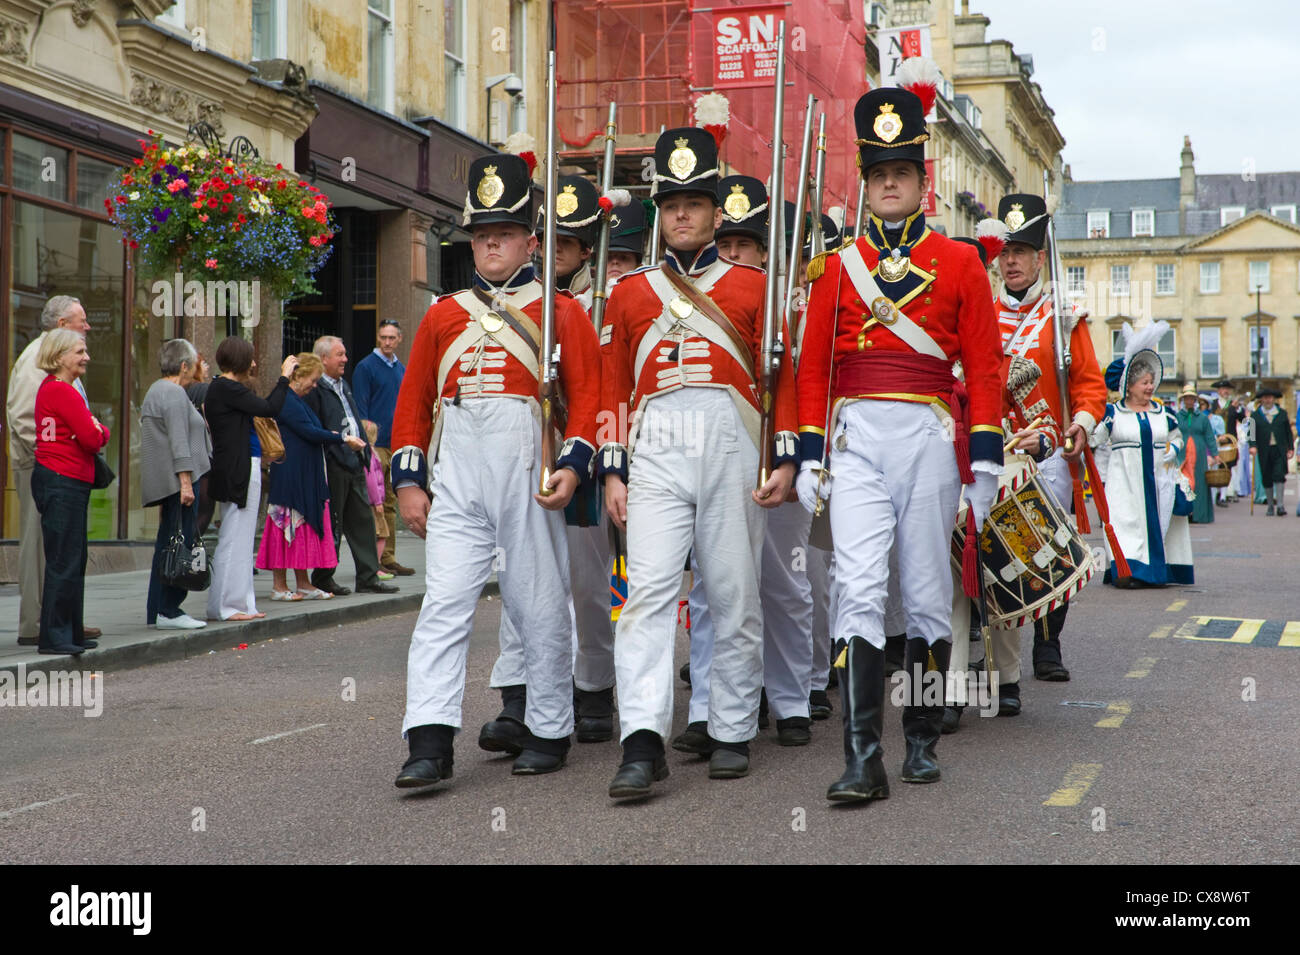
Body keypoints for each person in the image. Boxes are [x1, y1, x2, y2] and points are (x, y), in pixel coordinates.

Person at [795, 73, 1005, 801]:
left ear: (923, 180)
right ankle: (861, 757)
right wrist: (809, 451)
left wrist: (983, 454)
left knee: (923, 587)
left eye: (902, 173)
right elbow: (812, 364)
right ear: (867, 181)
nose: (889, 184)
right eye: (878, 173)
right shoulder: (835, 269)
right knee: (854, 584)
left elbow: (983, 361)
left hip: (926, 431)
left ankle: (919, 735)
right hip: (855, 434)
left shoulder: (960, 263)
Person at [390, 151, 601, 787]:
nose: (490, 246)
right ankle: (428, 741)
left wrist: (573, 463)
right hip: (459, 466)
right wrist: (408, 479)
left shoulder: (561, 311)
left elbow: (590, 397)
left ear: (529, 240)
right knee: (443, 604)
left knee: (538, 603)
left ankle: (548, 726)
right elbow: (416, 401)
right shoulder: (443, 312)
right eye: (482, 235)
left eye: (503, 234)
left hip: (527, 461)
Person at [599, 126, 798, 796]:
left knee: (733, 588)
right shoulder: (629, 293)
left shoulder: (753, 286)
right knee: (648, 593)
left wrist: (784, 456)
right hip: (655, 440)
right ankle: (641, 739)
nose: (682, 212)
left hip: (731, 437)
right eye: (671, 201)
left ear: (717, 210)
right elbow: (610, 384)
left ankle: (733, 727)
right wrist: (612, 466)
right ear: (659, 210)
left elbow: (783, 381)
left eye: (695, 200)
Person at [675, 169, 820, 752]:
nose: (734, 255)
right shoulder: (694, 298)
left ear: (766, 251)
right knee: (713, 584)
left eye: (745, 247)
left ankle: (791, 698)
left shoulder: (792, 305)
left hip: (775, 454)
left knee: (783, 581)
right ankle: (709, 707)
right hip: (717, 453)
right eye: (727, 244)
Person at [484, 171, 617, 751]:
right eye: (551, 242)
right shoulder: (519, 300)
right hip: (523, 453)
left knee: (588, 582)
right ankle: (519, 698)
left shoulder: (610, 300)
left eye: (568, 244)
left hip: (582, 452)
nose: (557, 253)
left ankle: (592, 689)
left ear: (586, 248)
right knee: (520, 580)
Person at [990, 192, 1107, 688]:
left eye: (1021, 252)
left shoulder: (1064, 318)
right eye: (1005, 252)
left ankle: (1048, 642)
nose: (1011, 261)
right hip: (1001, 450)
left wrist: (1080, 424)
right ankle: (1002, 645)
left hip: (1053, 452)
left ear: (1040, 257)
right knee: (1002, 546)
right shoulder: (982, 312)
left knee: (1051, 547)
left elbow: (1088, 384)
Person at [5, 295, 101, 646]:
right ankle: (38, 623)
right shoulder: (39, 359)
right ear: (62, 325)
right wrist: (51, 454)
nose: (87, 327)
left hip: (51, 464)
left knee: (56, 549)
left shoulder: (54, 357)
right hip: (43, 465)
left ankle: (58, 621)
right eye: (81, 320)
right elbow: (22, 416)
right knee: (41, 546)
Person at [256, 353, 367, 599]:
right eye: (313, 380)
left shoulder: (297, 399)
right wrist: (342, 437)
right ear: (300, 375)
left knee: (301, 526)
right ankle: (279, 586)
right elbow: (308, 431)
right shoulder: (286, 398)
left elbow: (312, 430)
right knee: (285, 526)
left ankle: (303, 583)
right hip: (290, 472)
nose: (315, 385)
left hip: (303, 471)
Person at [1091, 321, 1193, 586]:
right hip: (1124, 481)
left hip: (1160, 479)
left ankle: (1157, 572)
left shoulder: (1164, 413)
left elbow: (1177, 437)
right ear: (1129, 385)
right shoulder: (1113, 413)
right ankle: (1129, 572)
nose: (1150, 387)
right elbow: (1094, 438)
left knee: (1158, 523)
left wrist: (1174, 449)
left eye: (1151, 382)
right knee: (1126, 523)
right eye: (1144, 383)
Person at [204, 337, 297, 620]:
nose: (254, 364)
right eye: (251, 358)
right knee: (234, 537)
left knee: (242, 538)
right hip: (238, 469)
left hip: (241, 465)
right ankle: (226, 606)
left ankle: (242, 604)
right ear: (242, 360)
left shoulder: (224, 389)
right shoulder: (226, 388)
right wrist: (283, 379)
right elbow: (269, 408)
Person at [31, 329, 109, 655]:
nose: (86, 357)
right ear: (60, 355)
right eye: (79, 351)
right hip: (63, 481)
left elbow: (92, 432)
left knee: (72, 560)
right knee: (65, 561)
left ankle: (70, 631)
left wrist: (94, 429)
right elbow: (94, 437)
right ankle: (55, 635)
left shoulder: (58, 390)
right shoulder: (61, 391)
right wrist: (96, 429)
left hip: (66, 480)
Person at [305, 336, 398, 595]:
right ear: (324, 359)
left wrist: (367, 451)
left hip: (355, 461)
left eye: (345, 354)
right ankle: (323, 576)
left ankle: (368, 577)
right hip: (334, 463)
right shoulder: (316, 389)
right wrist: (335, 451)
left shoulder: (342, 384)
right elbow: (317, 426)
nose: (345, 359)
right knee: (333, 522)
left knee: (362, 522)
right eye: (340, 354)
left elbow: (353, 417)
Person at [140, 339, 213, 630]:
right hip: (179, 481)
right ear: (184, 366)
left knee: (168, 543)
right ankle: (169, 609)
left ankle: (156, 610)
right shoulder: (172, 393)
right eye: (194, 363)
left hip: (171, 480)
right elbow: (179, 440)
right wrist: (185, 481)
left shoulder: (160, 391)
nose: (196, 368)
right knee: (178, 542)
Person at [351, 319, 411, 576]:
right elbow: (360, 406)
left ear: (400, 339)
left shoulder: (401, 368)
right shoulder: (366, 367)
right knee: (375, 503)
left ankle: (388, 557)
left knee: (389, 503)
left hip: (396, 443)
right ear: (378, 337)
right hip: (377, 446)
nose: (387, 342)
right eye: (383, 337)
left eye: (391, 338)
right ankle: (375, 560)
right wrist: (368, 445)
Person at [1177, 384, 1220, 524]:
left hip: (1199, 454)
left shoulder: (1202, 418)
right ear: (1183, 400)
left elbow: (1209, 437)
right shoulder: (1177, 417)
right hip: (1182, 453)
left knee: (1200, 482)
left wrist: (1215, 454)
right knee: (1183, 482)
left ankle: (1199, 514)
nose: (1189, 401)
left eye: (1191, 398)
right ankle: (1184, 513)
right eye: (1186, 398)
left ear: (1195, 400)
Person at [1249, 389, 1293, 516]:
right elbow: (1251, 433)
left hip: (1279, 449)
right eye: (1265, 398)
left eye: (1270, 397)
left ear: (1274, 399)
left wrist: (1290, 448)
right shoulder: (1255, 415)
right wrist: (1252, 446)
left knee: (1279, 475)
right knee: (1267, 477)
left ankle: (1280, 505)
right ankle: (1270, 506)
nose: (1268, 400)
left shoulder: (1282, 413)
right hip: (1264, 450)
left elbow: (1288, 433)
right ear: (1261, 400)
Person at [606, 197, 649, 282]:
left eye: (624, 257)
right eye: (608, 258)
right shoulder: (584, 295)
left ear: (638, 266)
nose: (615, 262)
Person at [1200, 395, 1230, 507]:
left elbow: (1222, 436)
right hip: (1199, 448)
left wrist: (1219, 438)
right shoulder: (1196, 418)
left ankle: (1212, 501)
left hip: (1212, 447)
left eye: (1202, 404)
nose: (1200, 407)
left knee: (1212, 475)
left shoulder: (1216, 419)